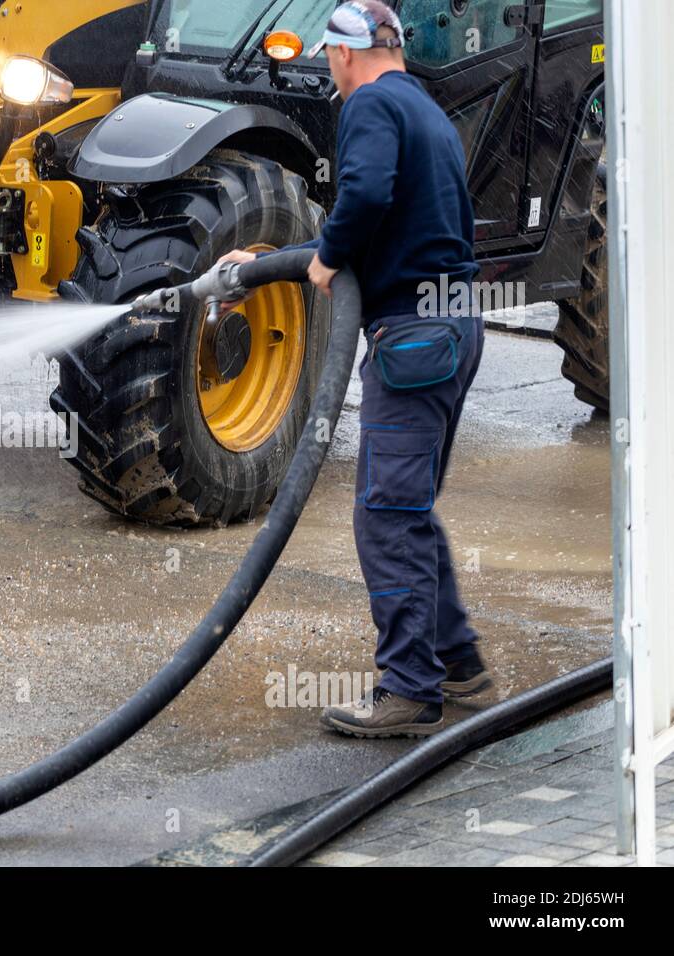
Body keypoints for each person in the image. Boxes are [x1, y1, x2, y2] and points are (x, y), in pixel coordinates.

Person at [220, 0, 491, 737]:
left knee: (385, 517)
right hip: (453, 327)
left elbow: (366, 194)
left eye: (330, 62)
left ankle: (410, 689)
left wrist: (328, 256)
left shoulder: (368, 104)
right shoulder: (426, 111)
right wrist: (280, 262)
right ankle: (457, 663)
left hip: (412, 337)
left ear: (343, 56)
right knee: (410, 508)